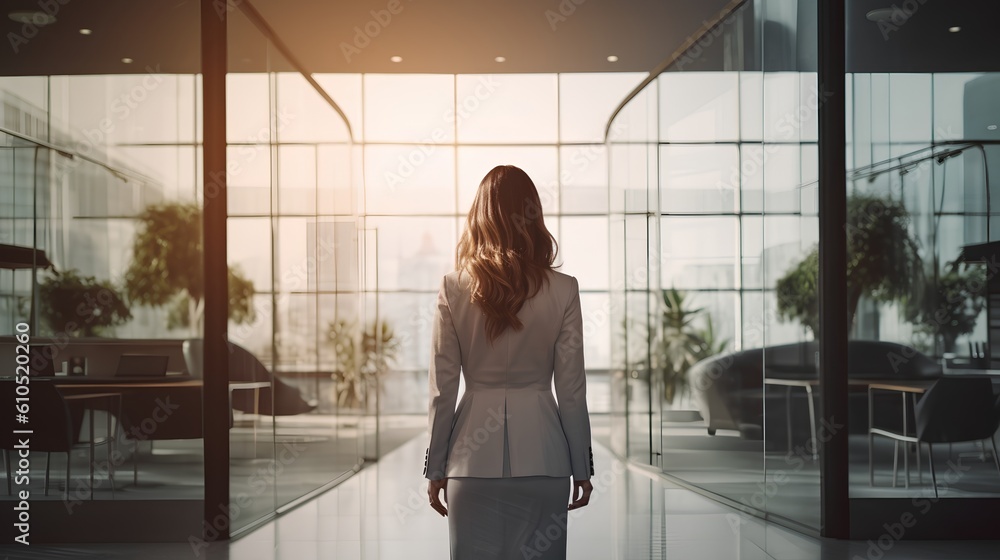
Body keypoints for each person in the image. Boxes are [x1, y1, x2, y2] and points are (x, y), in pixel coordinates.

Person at [424, 165, 594, 559]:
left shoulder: (453, 287)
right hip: (546, 460)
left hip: (470, 462)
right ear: (532, 213)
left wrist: (435, 467)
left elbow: (442, 390)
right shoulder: (564, 289)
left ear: (480, 215)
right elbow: (571, 391)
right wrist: (582, 467)